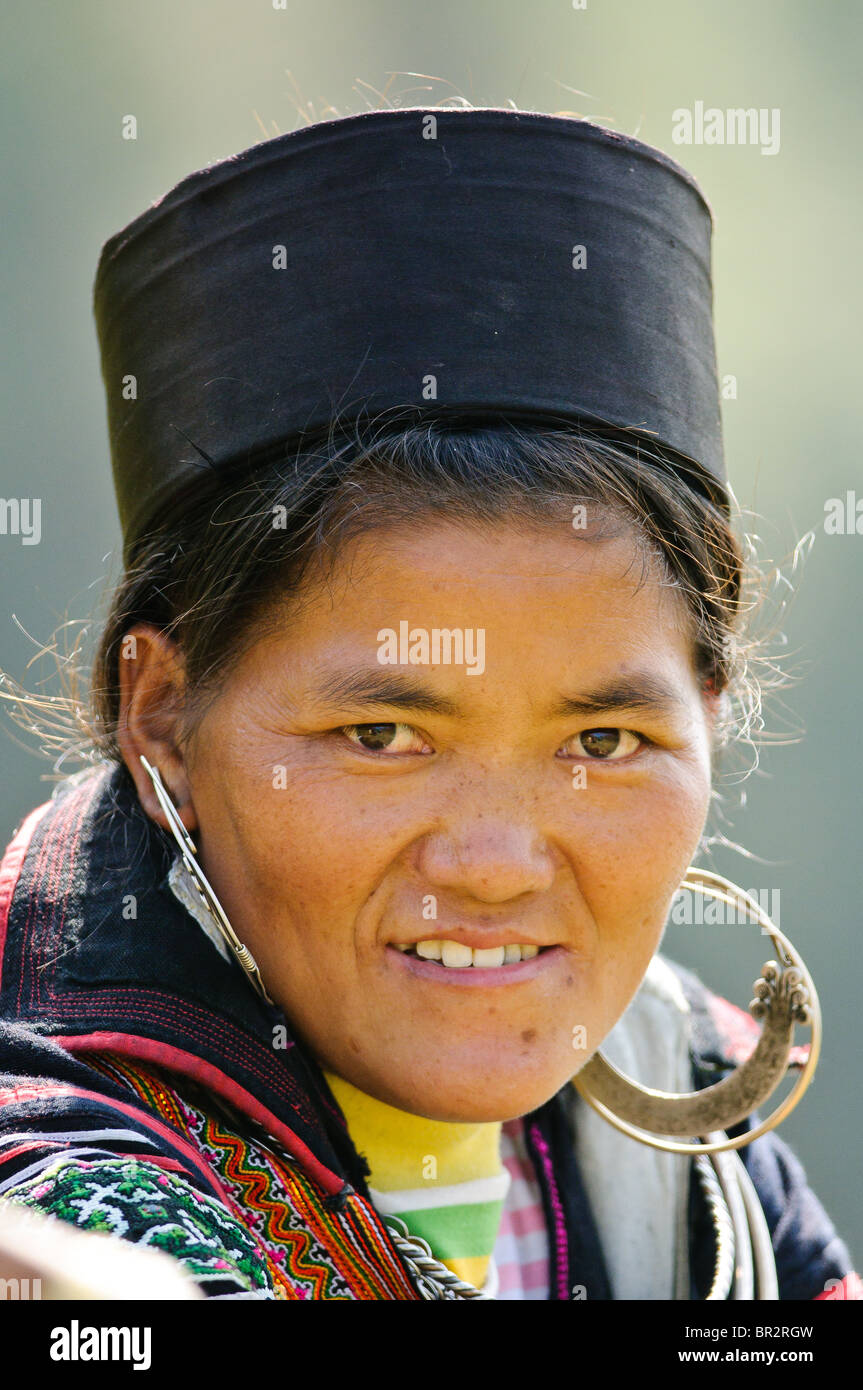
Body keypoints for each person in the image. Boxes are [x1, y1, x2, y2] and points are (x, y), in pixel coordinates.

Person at [0, 106, 857, 1301]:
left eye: (601, 740)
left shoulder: (691, 1131)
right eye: (382, 735)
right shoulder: (51, 1201)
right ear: (163, 718)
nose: (496, 865)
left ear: (708, 714)